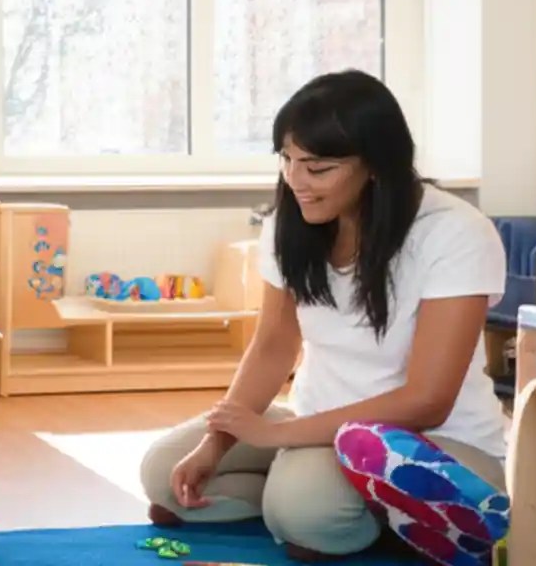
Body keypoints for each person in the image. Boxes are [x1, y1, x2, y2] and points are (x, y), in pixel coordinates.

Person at [139, 70, 510, 565]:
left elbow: (427, 400)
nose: (296, 181)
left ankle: (321, 505)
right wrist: (218, 440)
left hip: (431, 442)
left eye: (318, 168)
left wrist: (274, 436)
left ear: (376, 165)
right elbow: (272, 346)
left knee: (305, 513)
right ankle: (348, 510)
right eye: (288, 160)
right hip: (315, 425)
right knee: (164, 472)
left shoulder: (455, 233)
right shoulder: (288, 226)